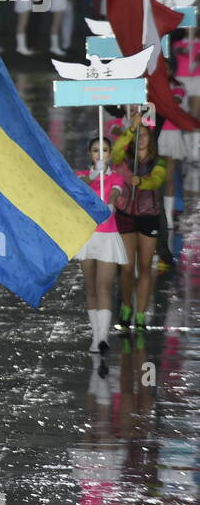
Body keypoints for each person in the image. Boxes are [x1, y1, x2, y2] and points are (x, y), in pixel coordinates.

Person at [111, 118, 165, 328]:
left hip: (148, 217)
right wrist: (131, 128)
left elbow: (157, 181)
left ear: (150, 138)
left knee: (144, 267)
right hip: (124, 216)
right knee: (126, 267)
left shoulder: (157, 162)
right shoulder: (122, 159)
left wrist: (142, 182)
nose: (141, 138)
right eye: (137, 135)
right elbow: (114, 152)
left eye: (144, 135)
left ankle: (141, 314)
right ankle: (126, 305)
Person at [76, 137, 127, 353]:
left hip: (107, 235)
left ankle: (103, 337)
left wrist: (112, 202)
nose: (100, 154)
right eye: (95, 150)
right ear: (89, 153)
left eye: (104, 150)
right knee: (90, 287)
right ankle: (95, 336)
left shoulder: (116, 177)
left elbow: (116, 191)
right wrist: (93, 175)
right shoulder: (81, 176)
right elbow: (79, 189)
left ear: (110, 154)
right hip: (87, 235)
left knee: (104, 285)